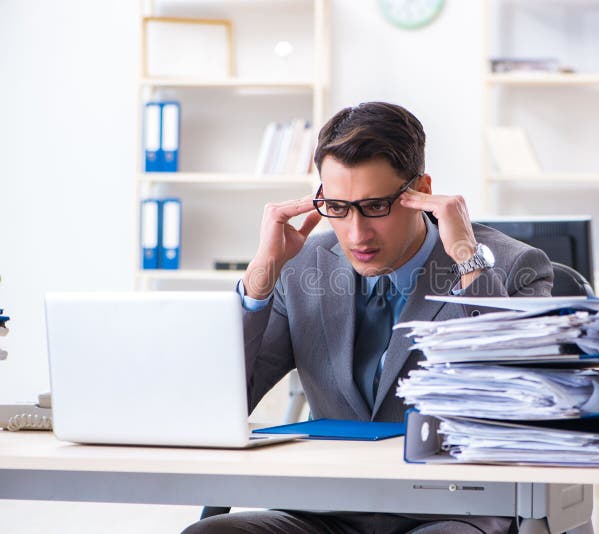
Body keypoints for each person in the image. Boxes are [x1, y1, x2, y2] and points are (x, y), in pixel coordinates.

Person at [183, 101, 554, 534]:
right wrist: (260, 280)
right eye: (337, 207)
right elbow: (220, 403)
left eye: (375, 206)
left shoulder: (512, 266)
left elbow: (517, 403)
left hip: (450, 512)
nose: (356, 235)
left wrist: (467, 263)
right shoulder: (302, 267)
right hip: (326, 510)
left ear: (422, 190)